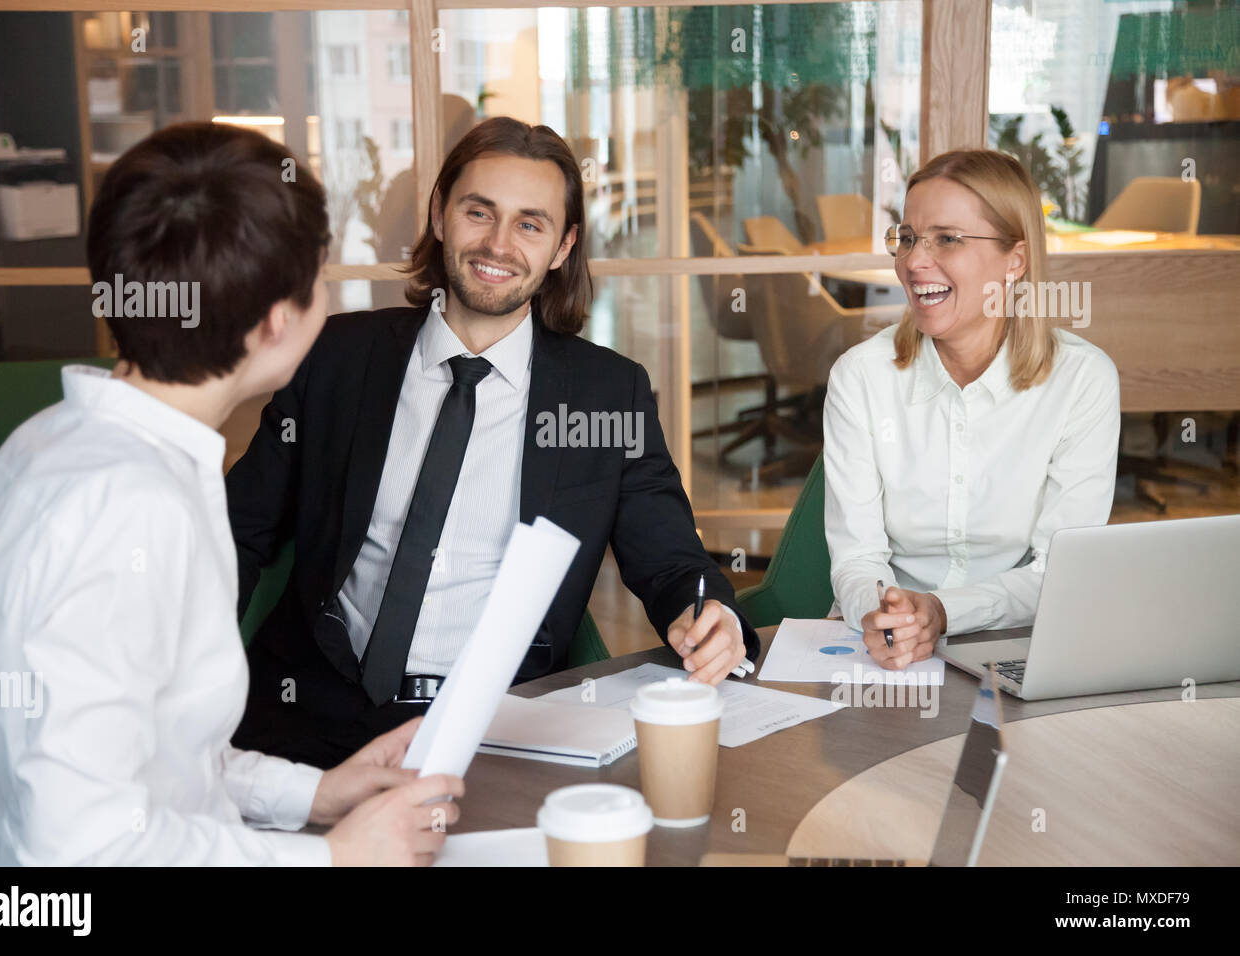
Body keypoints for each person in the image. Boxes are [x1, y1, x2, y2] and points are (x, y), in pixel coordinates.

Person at [0, 122, 462, 865]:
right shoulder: (131, 511)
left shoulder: (49, 443)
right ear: (277, 323)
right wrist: (334, 857)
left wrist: (316, 796)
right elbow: (79, 845)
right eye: (319, 280)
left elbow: (160, 756)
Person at [228, 116, 758, 769]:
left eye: (530, 224)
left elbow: (673, 565)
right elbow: (237, 534)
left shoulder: (606, 394)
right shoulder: (336, 358)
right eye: (480, 212)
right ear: (440, 216)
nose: (499, 244)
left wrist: (711, 618)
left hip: (502, 731)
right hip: (312, 720)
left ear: (563, 247)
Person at [822, 149, 1120, 670]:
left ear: (1016, 261)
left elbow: (1059, 569)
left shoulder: (1082, 380)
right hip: (884, 643)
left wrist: (941, 612)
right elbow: (857, 558)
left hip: (1017, 641)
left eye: (947, 239)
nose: (914, 261)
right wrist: (890, 616)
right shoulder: (859, 377)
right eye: (909, 237)